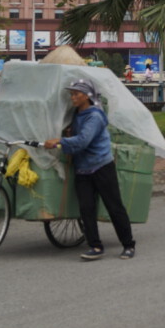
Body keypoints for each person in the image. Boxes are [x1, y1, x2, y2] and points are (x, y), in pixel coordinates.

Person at [44, 78, 136, 260]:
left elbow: (83, 141)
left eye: (76, 94)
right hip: (82, 169)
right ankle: (95, 246)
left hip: (102, 166)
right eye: (71, 94)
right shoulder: (77, 114)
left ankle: (128, 245)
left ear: (87, 96)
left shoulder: (94, 116)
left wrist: (59, 141)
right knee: (86, 209)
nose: (73, 97)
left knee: (114, 206)